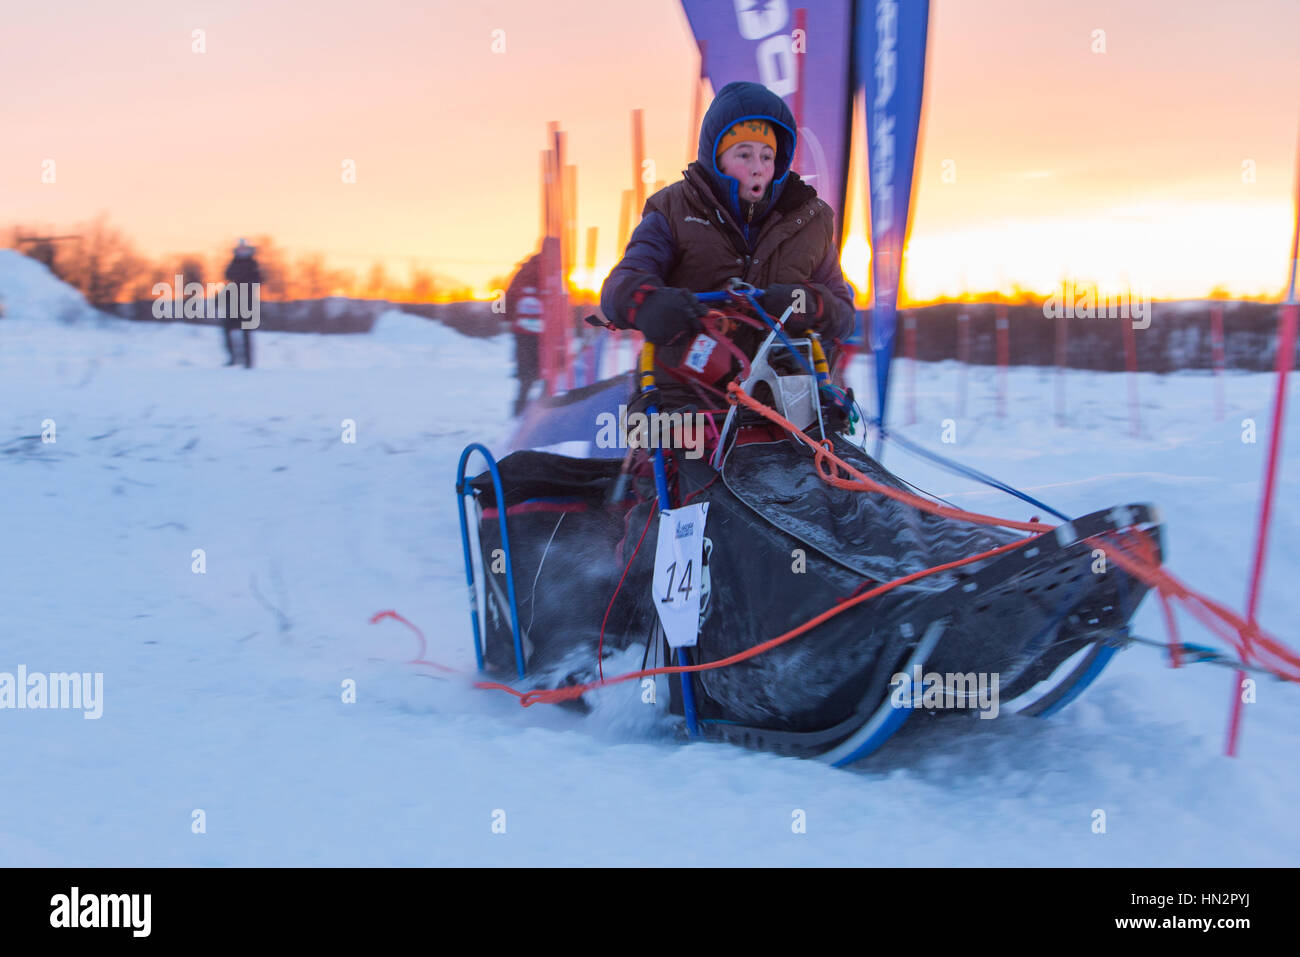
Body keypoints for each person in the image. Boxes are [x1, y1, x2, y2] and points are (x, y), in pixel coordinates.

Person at [600, 80, 856, 415]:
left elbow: (844, 313)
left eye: (767, 155)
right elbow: (619, 287)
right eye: (744, 154)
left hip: (791, 403)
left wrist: (804, 302)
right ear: (716, 159)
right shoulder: (673, 210)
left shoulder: (812, 221)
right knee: (692, 462)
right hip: (686, 399)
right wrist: (649, 304)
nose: (757, 167)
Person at [505, 253, 544, 415]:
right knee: (547, 372)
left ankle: (519, 410)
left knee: (525, 375)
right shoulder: (553, 272)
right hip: (544, 334)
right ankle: (544, 411)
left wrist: (508, 318)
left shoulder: (522, 273)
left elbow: (507, 298)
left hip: (522, 332)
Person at [222, 238, 260, 368]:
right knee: (227, 329)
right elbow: (227, 275)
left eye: (244, 249)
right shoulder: (233, 262)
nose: (241, 252)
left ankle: (248, 362)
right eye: (240, 249)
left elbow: (258, 280)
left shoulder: (253, 264)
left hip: (247, 302)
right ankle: (233, 358)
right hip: (233, 301)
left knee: (246, 332)